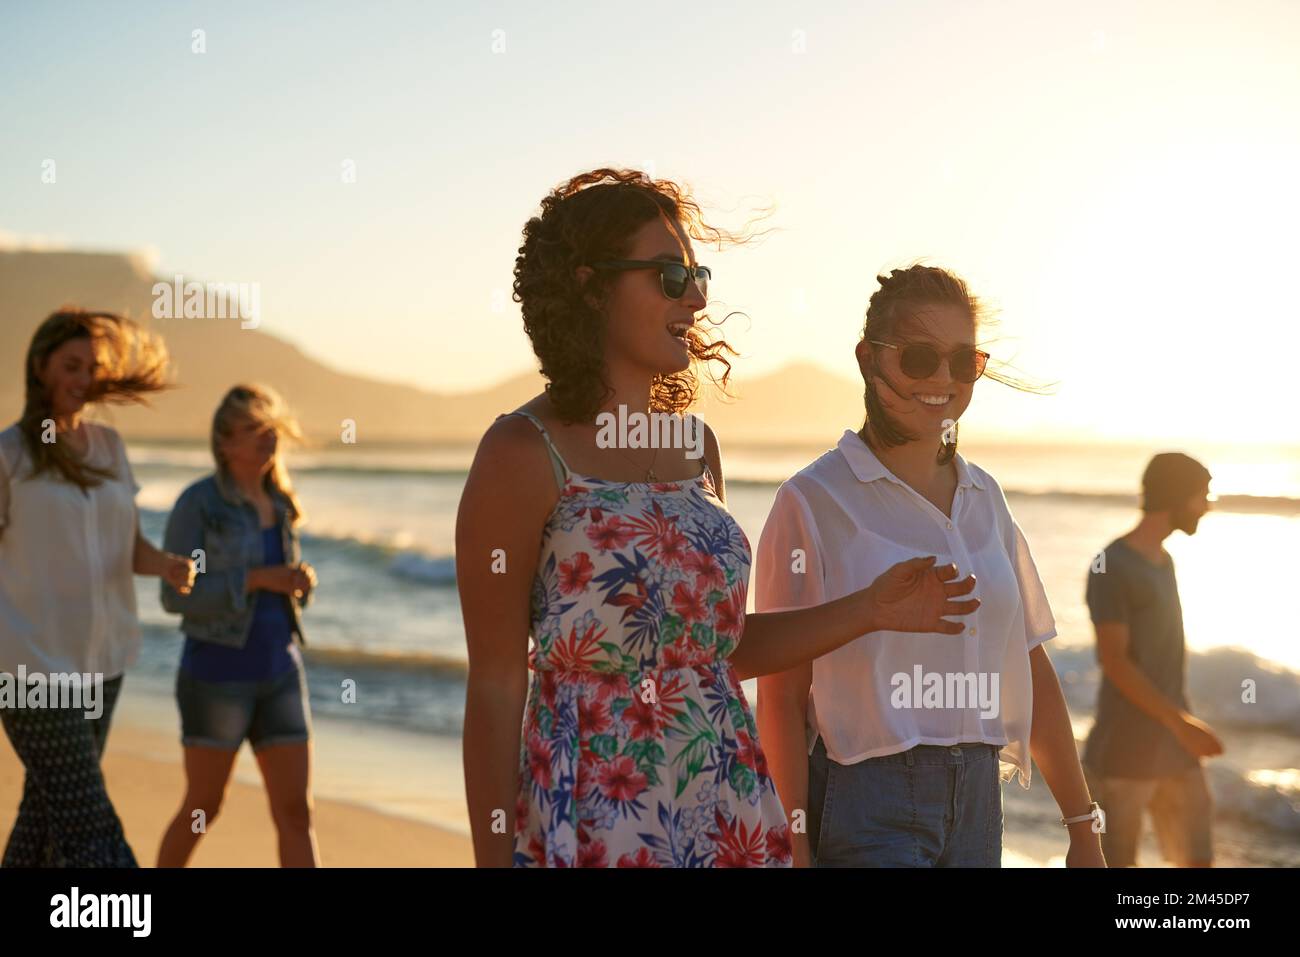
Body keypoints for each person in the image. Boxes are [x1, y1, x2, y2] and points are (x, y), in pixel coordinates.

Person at [457, 169, 980, 867]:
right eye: (670, 276)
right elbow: (495, 683)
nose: (698, 296)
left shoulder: (695, 446)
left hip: (728, 808)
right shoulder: (523, 452)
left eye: (697, 273)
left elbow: (717, 649)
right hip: (597, 818)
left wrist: (869, 609)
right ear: (590, 285)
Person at [756, 265, 1106, 867]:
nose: (943, 379)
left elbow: (1027, 660)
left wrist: (1083, 825)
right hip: (867, 803)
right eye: (919, 358)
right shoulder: (813, 500)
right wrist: (795, 845)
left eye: (963, 361)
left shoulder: (986, 497)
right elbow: (781, 696)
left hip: (979, 803)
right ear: (869, 359)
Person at [0, 308, 194, 867]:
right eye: (70, 365)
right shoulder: (9, 454)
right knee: (91, 827)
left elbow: (128, 547)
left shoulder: (109, 447)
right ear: (40, 367)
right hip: (31, 670)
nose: (83, 379)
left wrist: (167, 566)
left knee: (45, 821)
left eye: (91, 367)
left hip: (103, 665)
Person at [156, 384, 320, 867]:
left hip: (281, 672)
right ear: (223, 443)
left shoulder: (282, 502)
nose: (265, 439)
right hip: (216, 675)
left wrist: (297, 583)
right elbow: (173, 595)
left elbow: (278, 590)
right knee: (203, 807)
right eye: (251, 430)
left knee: (296, 812)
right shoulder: (199, 504)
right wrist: (255, 579)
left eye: (268, 428)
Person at [1083, 452, 1220, 867]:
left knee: (1197, 863)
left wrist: (1182, 728)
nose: (1207, 506)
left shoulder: (1166, 561)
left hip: (1177, 751)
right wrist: (1183, 724)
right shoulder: (1112, 566)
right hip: (1124, 755)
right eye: (1202, 496)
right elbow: (1116, 662)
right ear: (1176, 497)